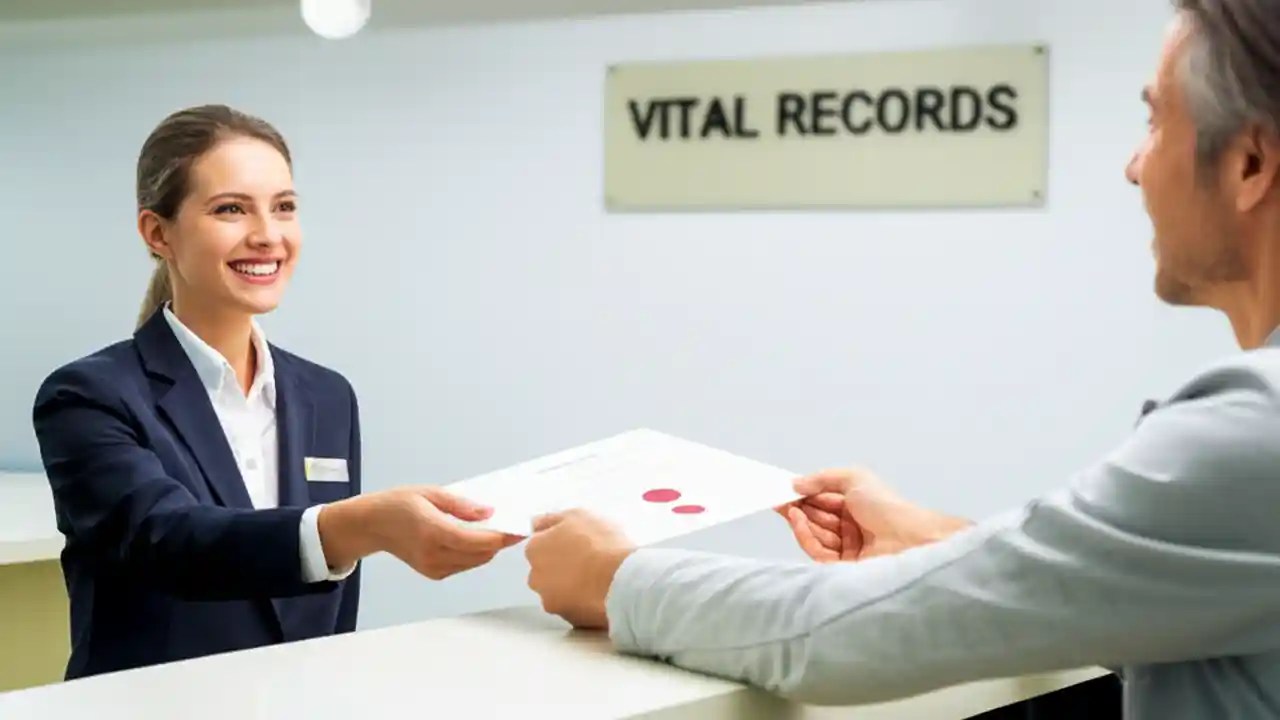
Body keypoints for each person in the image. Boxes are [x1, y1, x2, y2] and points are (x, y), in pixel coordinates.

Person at [523, 2, 1280, 717]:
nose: (1134, 166)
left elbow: (843, 637)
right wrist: (933, 542)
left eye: (1153, 123)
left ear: (1250, 162)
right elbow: (1146, 591)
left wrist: (617, 580)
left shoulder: (1258, 432)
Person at [31, 104, 520, 680]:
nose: (267, 236)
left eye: (284, 207)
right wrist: (364, 525)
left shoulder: (326, 396)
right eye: (231, 209)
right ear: (157, 232)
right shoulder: (88, 395)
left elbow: (331, 609)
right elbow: (171, 542)